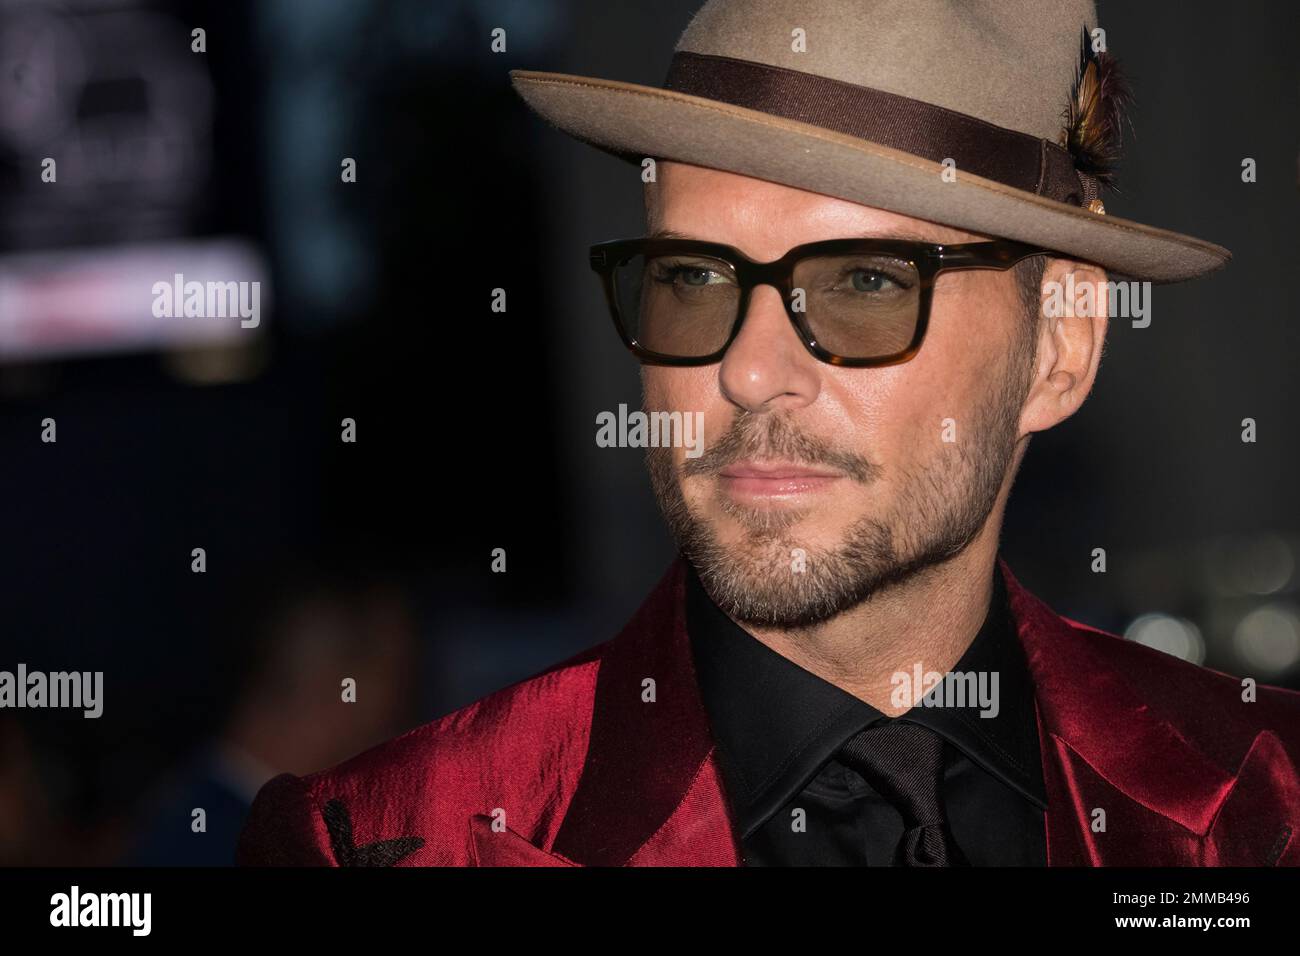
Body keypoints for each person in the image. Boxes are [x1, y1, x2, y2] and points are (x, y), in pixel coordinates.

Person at [237, 0, 1300, 866]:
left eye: (865, 283)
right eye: (694, 279)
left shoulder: (1267, 797)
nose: (744, 369)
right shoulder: (386, 840)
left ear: (1057, 348)